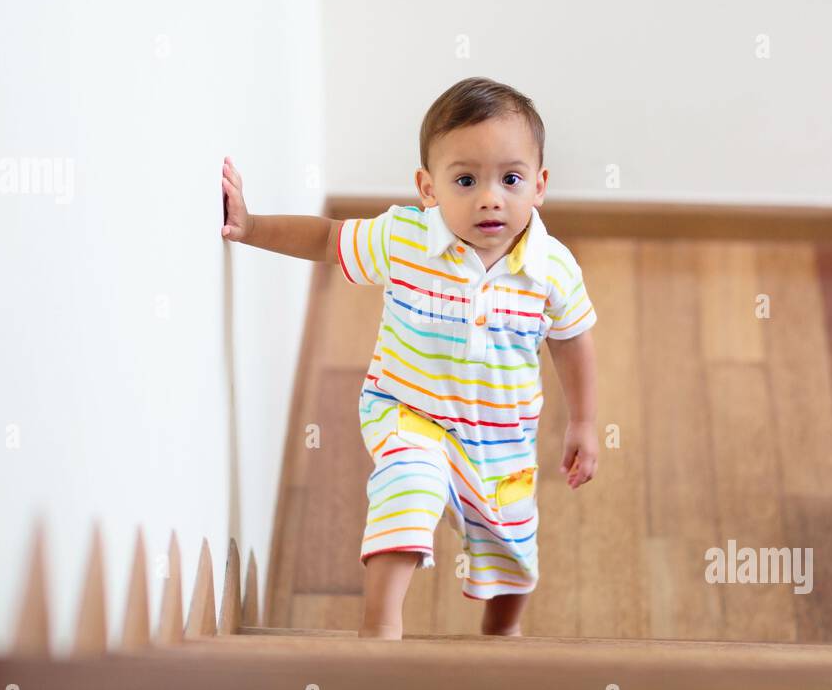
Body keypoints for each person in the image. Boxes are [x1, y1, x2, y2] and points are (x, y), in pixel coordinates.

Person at [221, 76, 598, 639]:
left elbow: (573, 341)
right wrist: (249, 227)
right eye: (466, 180)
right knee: (409, 485)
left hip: (500, 436)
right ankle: (381, 627)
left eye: (511, 179)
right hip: (408, 411)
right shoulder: (405, 239)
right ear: (428, 187)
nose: (490, 197)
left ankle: (503, 633)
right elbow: (328, 240)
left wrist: (586, 420)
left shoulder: (553, 270)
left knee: (512, 550)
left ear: (539, 185)